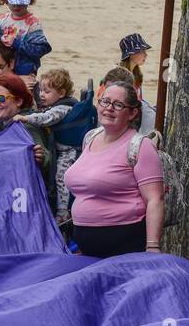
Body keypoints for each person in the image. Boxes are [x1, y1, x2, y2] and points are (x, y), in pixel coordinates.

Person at [62, 81, 165, 258]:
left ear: (132, 113)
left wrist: (152, 247)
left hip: (125, 247)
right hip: (86, 248)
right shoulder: (90, 137)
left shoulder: (141, 146)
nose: (109, 108)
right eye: (105, 101)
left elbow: (155, 198)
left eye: (118, 105)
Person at [0, 73, 55, 199]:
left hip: (21, 199)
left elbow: (43, 155)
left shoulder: (25, 127)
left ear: (18, 101)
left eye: (1, 98)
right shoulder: (2, 124)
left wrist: (40, 158)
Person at [17, 68, 78, 220]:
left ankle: (62, 212)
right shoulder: (56, 105)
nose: (42, 95)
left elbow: (47, 118)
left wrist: (26, 118)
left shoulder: (63, 108)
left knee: (61, 178)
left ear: (62, 93)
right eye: (41, 90)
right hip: (61, 149)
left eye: (47, 91)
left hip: (68, 152)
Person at [0, 0, 51, 99]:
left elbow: (40, 50)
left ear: (29, 0)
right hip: (3, 70)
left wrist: (17, 43)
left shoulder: (32, 24)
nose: (17, 6)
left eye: (21, 3)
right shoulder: (2, 21)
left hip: (25, 72)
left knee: (23, 96)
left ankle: (25, 116)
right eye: (13, 2)